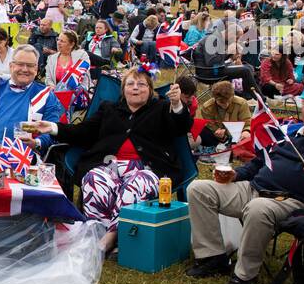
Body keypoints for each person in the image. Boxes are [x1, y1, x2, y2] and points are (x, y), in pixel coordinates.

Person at [186, 80, 304, 284]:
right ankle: (212, 257)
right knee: (199, 189)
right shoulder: (287, 132)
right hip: (254, 188)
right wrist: (237, 174)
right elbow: (259, 162)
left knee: (258, 208)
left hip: (297, 203)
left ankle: (244, 276)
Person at [34, 67, 190, 253]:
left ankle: (109, 239)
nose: (135, 88)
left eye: (141, 84)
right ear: (123, 89)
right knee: (94, 180)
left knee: (135, 185)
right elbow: (82, 132)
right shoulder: (109, 108)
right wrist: (51, 127)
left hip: (148, 168)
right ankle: (101, 232)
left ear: (150, 90)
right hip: (107, 165)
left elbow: (181, 127)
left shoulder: (162, 107)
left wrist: (177, 104)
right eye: (130, 84)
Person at [195, 80, 251, 151]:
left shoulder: (241, 103)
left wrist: (246, 131)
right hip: (219, 138)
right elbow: (211, 125)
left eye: (228, 101)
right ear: (215, 99)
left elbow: (247, 122)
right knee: (202, 130)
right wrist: (218, 132)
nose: (226, 105)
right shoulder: (207, 107)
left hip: (238, 135)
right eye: (222, 102)